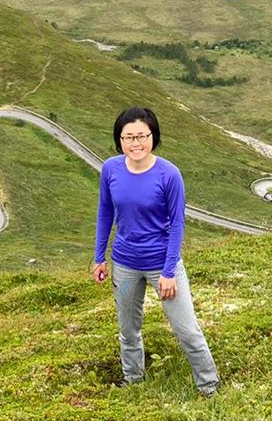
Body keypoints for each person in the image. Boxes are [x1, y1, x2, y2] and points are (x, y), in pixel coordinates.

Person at [92, 106, 219, 397]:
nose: (135, 143)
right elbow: (104, 213)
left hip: (162, 263)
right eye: (128, 137)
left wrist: (168, 271)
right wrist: (99, 257)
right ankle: (133, 380)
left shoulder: (169, 174)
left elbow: (177, 224)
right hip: (124, 263)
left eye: (141, 136)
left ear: (153, 136)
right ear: (119, 139)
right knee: (128, 330)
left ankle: (209, 385)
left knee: (186, 329)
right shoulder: (111, 169)